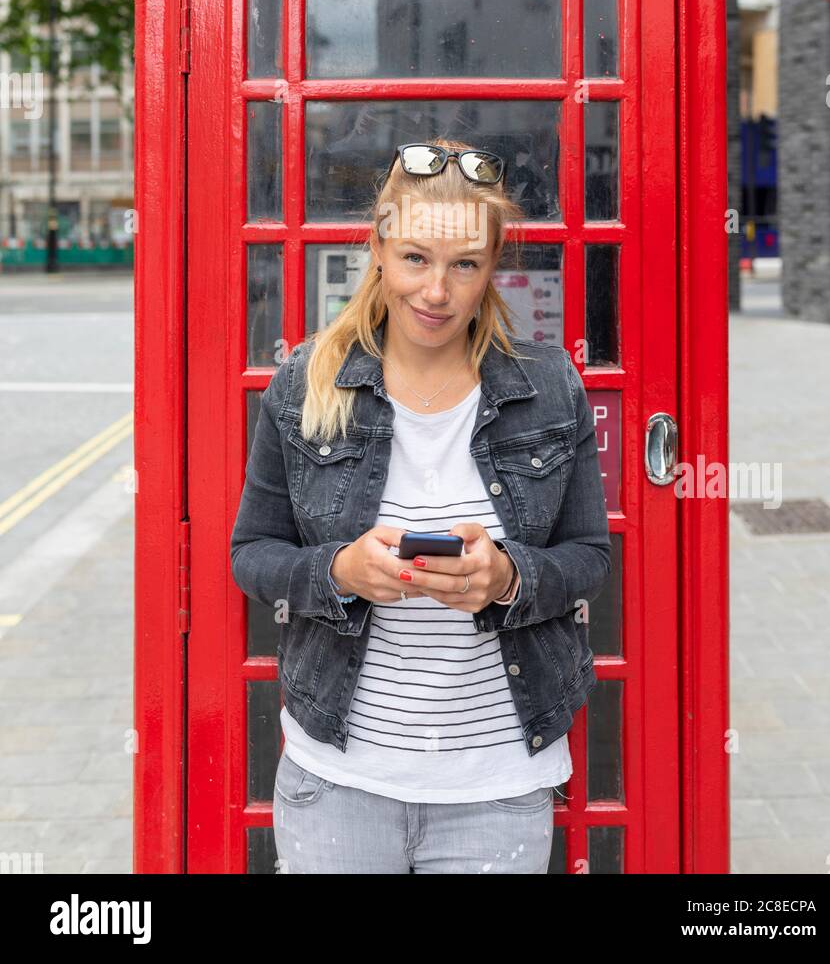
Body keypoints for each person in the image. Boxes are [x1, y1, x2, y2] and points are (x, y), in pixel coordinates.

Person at [230, 138, 611, 874]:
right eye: (414, 259)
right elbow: (252, 554)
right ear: (377, 246)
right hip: (339, 782)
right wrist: (339, 570)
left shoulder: (551, 387)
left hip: (498, 784)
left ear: (493, 264)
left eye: (464, 264)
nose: (436, 292)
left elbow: (588, 557)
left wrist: (507, 578)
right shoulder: (307, 383)